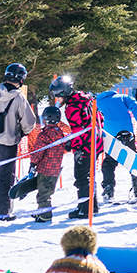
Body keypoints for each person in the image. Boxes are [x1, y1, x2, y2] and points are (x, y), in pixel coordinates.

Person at [49, 76, 103, 220]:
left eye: (57, 96)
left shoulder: (72, 106)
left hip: (85, 146)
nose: (57, 99)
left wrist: (74, 145)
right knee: (89, 175)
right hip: (95, 142)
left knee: (82, 177)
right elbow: (100, 118)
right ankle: (90, 206)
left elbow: (78, 129)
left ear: (64, 92)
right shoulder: (85, 98)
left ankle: (86, 209)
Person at [93, 87, 137, 202]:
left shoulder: (97, 101)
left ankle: (108, 188)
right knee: (133, 159)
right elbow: (135, 106)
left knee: (109, 163)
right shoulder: (122, 97)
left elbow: (92, 116)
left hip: (110, 135)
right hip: (127, 132)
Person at [0, 62, 36, 220]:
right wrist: (23, 132)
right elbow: (29, 122)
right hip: (7, 143)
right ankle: (3, 211)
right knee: (5, 178)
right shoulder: (19, 98)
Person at [29, 106, 67, 223]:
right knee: (48, 191)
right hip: (55, 169)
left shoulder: (43, 135)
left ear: (45, 118)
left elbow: (38, 151)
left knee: (43, 193)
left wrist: (33, 163)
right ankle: (42, 211)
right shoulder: (60, 133)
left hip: (45, 169)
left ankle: (45, 215)